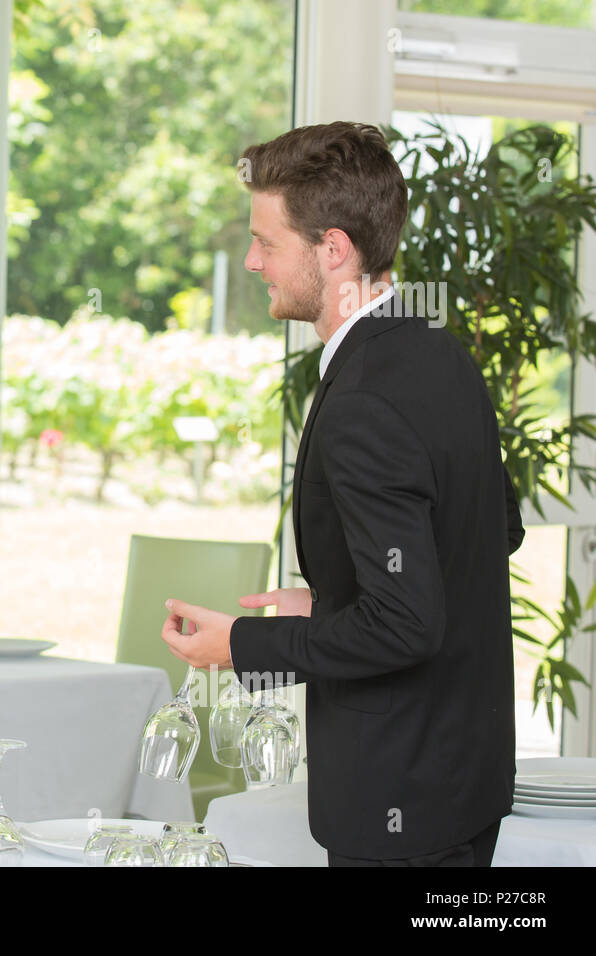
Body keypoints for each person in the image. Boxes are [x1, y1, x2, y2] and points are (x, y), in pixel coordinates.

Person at [160, 121, 522, 866]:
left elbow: (407, 626)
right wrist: (334, 600)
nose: (253, 260)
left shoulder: (363, 399)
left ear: (333, 250)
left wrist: (241, 646)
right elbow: (491, 531)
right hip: (464, 782)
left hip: (398, 797)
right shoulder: (441, 356)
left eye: (267, 242)